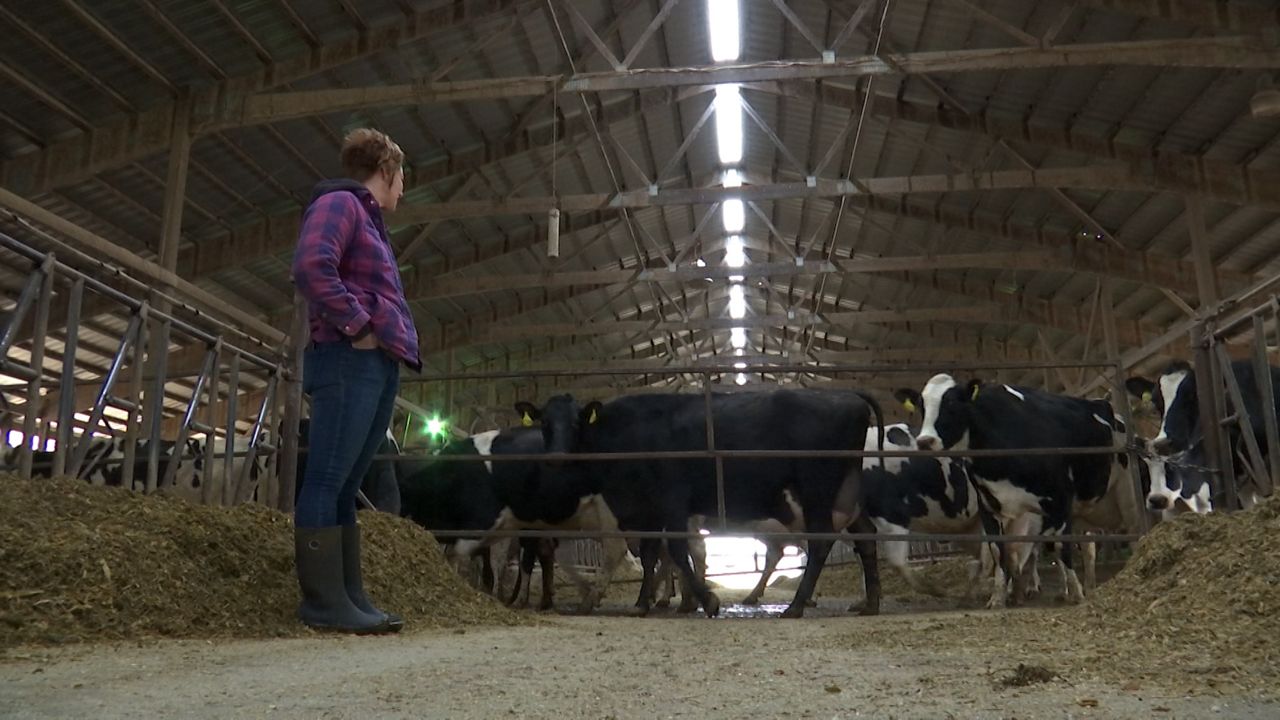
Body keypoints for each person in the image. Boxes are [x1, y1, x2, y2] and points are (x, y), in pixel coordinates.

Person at [291, 128, 421, 634]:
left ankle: (349, 596)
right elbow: (310, 266)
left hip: (376, 361)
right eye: (402, 177)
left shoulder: (370, 221)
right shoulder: (341, 203)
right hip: (347, 357)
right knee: (327, 478)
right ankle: (323, 602)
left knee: (347, 484)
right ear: (386, 169)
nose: (404, 188)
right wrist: (359, 326)